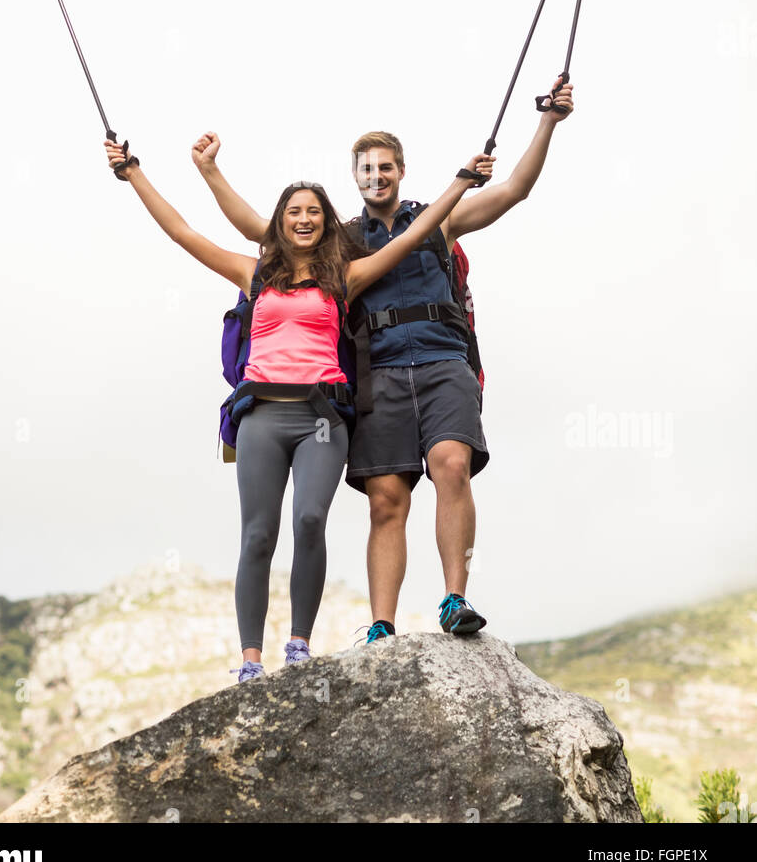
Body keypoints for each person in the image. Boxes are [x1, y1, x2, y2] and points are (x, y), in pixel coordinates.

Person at [191, 77, 574, 643]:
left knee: (451, 464)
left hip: (444, 360)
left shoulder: (439, 220)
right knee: (387, 498)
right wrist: (212, 172)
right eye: (366, 170)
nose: (377, 177)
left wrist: (546, 122)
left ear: (401, 171)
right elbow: (259, 229)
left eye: (386, 167)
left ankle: (454, 598)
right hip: (379, 374)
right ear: (356, 178)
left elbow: (515, 187)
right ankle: (381, 625)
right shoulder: (339, 242)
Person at [104, 135, 486, 679]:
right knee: (258, 534)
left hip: (322, 417)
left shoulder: (346, 276)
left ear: (326, 222)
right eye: (292, 212)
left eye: (312, 212)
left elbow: (419, 233)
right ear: (280, 223)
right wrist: (137, 172)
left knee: (310, 520)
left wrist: (459, 181)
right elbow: (182, 231)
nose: (302, 219)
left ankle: (299, 646)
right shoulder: (253, 273)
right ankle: (250, 661)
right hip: (261, 412)